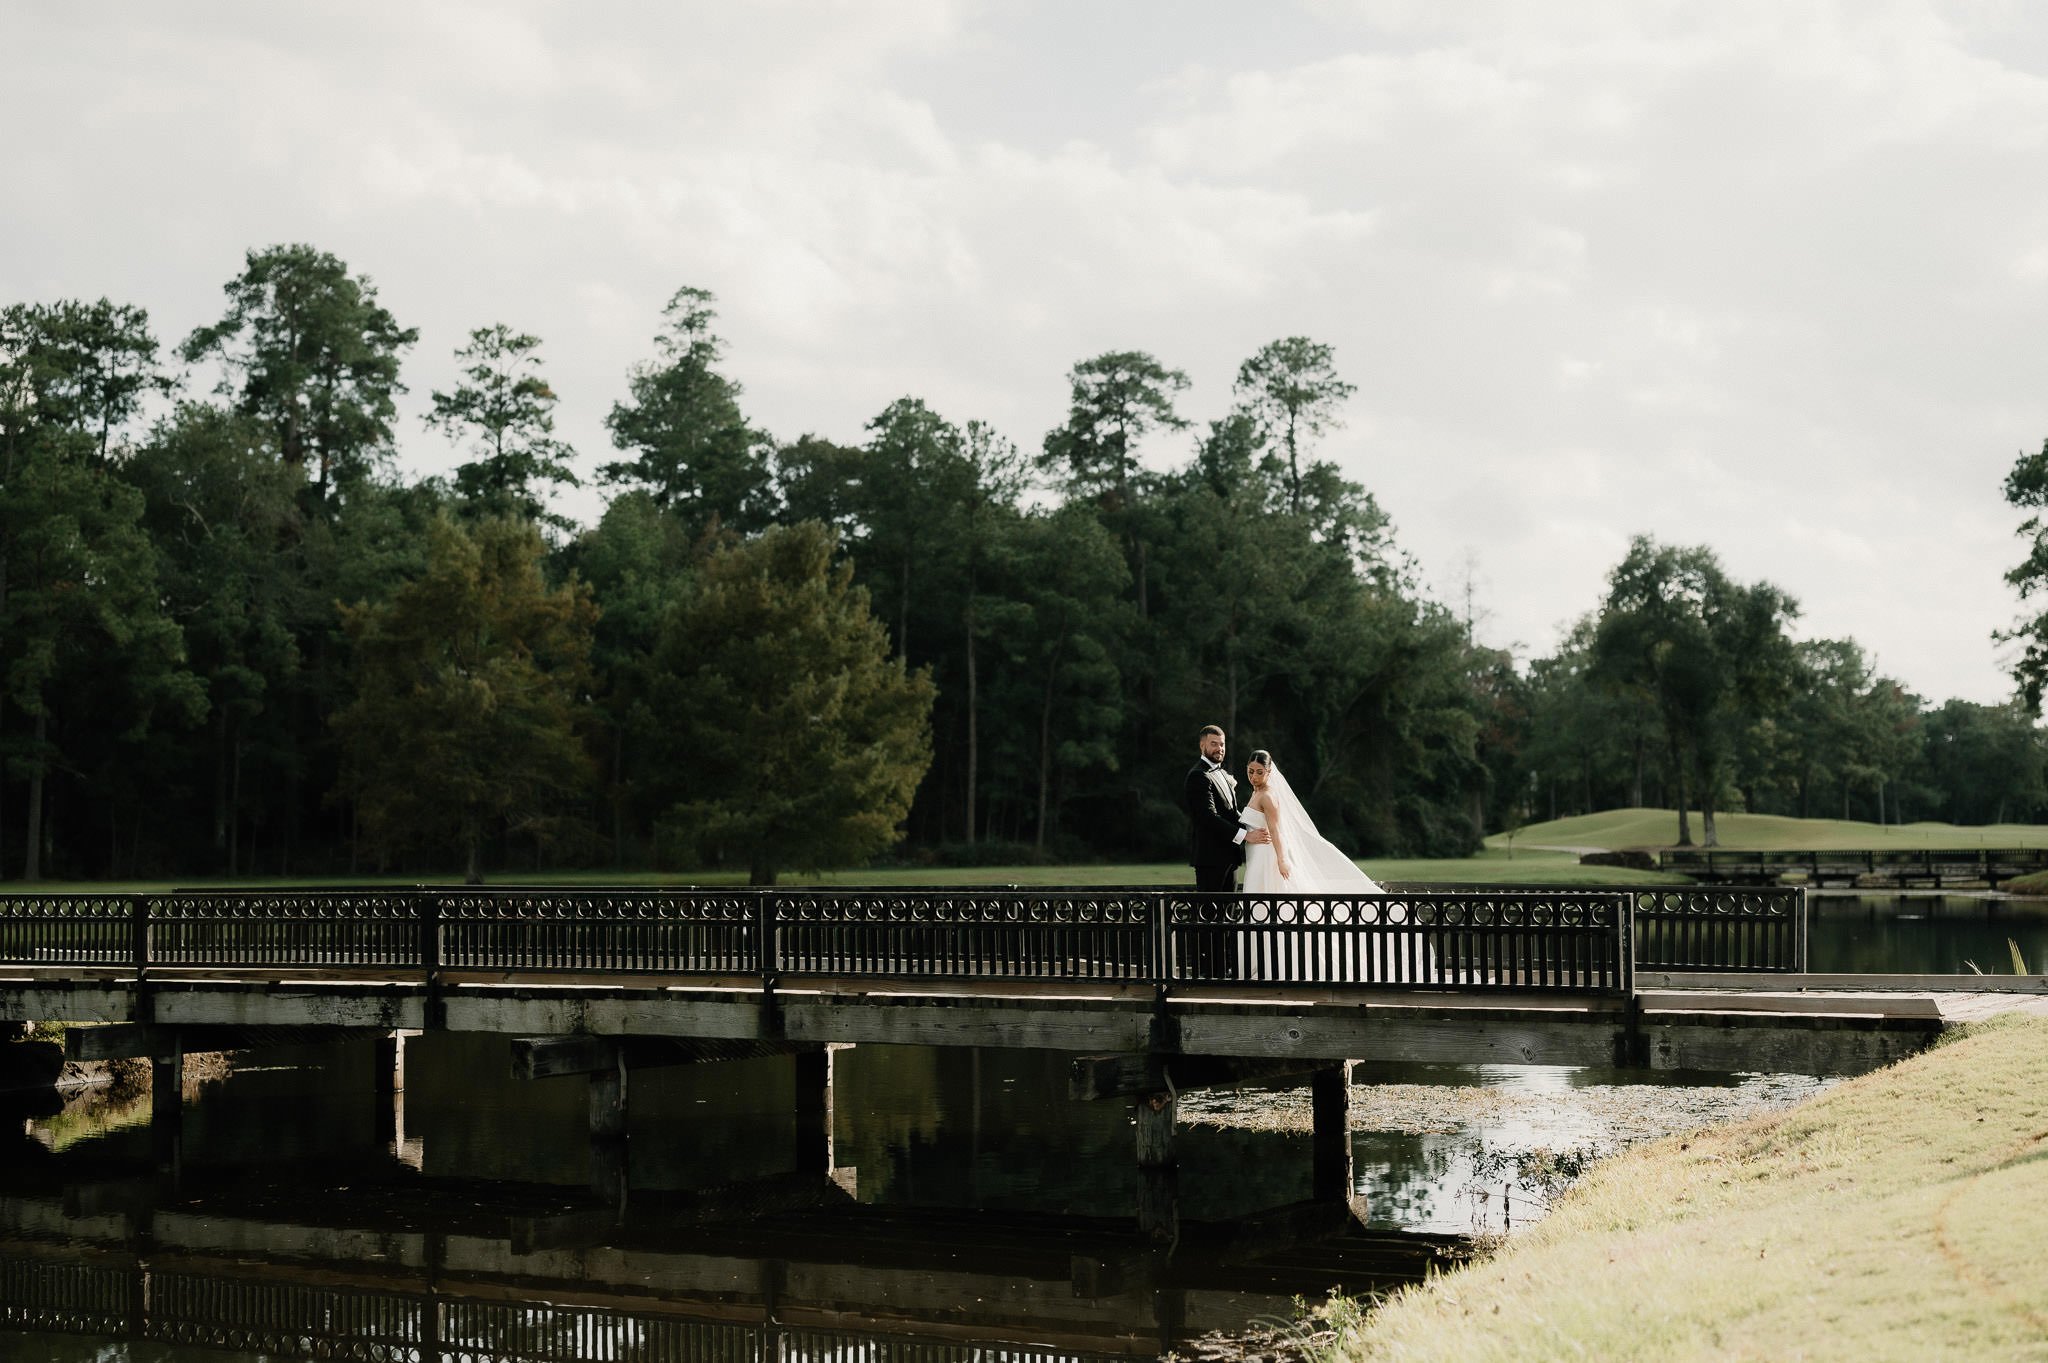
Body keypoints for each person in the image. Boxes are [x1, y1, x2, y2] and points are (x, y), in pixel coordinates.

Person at [1240, 750, 1383, 896]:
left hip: (1266, 854)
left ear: (1269, 772)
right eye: (1250, 771)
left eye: (1259, 772)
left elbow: (1276, 830)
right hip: (1255, 852)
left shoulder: (1267, 796)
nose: (1254, 777)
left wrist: (1282, 860)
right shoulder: (1255, 792)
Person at [1182, 725, 1270, 893]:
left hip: (1230, 857)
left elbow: (1231, 813)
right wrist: (1246, 835)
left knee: (1228, 914)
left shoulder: (1222, 774)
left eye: (1222, 744)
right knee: (1210, 915)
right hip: (1210, 859)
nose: (1220, 749)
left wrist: (1255, 826)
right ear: (1202, 746)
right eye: (1214, 744)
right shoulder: (1198, 775)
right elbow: (1207, 817)